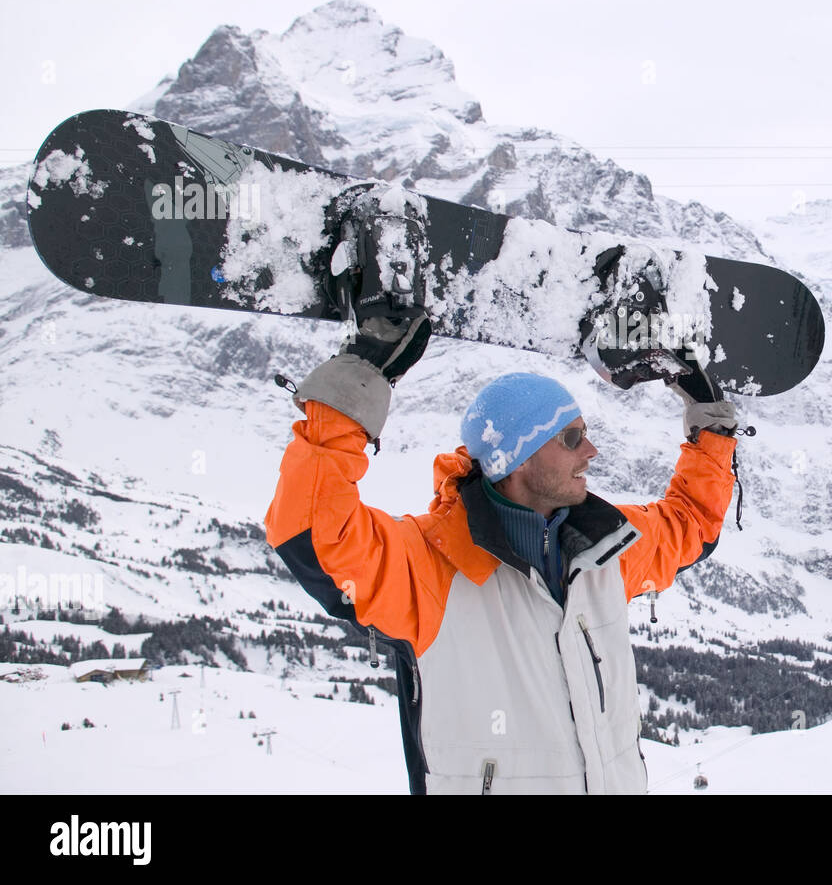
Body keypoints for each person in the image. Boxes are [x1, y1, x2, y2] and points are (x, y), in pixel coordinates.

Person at [265, 306, 738, 794]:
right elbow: (314, 532)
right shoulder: (430, 567)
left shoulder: (605, 549)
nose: (591, 452)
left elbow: (691, 523)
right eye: (572, 438)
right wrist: (357, 381)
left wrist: (711, 425)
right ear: (517, 460)